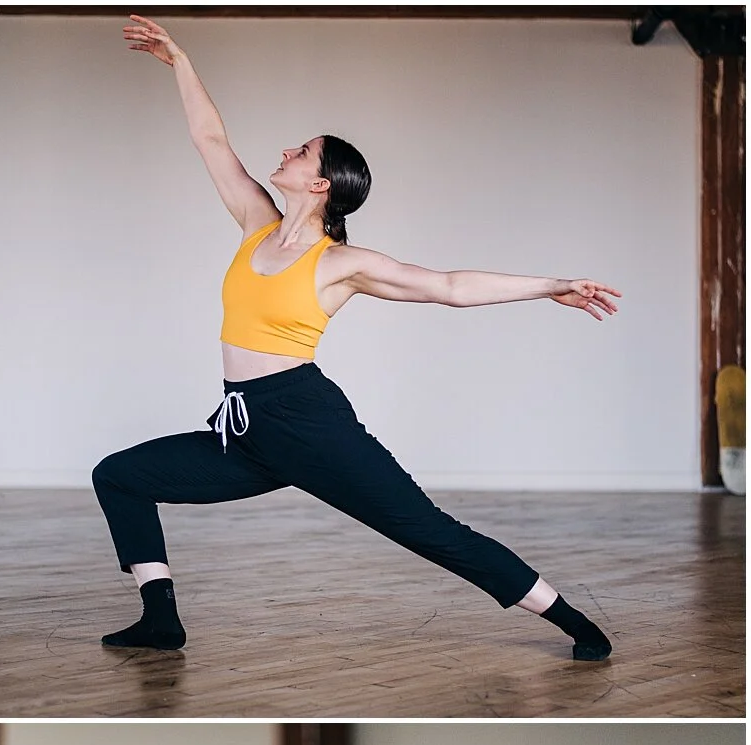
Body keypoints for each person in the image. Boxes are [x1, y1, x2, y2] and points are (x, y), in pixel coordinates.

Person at [95, 16, 618, 662]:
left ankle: (574, 622)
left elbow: (450, 286)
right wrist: (180, 62)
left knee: (428, 531)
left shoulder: (341, 264)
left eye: (303, 151)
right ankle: (161, 620)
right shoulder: (256, 224)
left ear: (321, 184)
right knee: (119, 476)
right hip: (246, 427)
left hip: (308, 423)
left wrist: (552, 284)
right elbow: (209, 138)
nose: (287, 150)